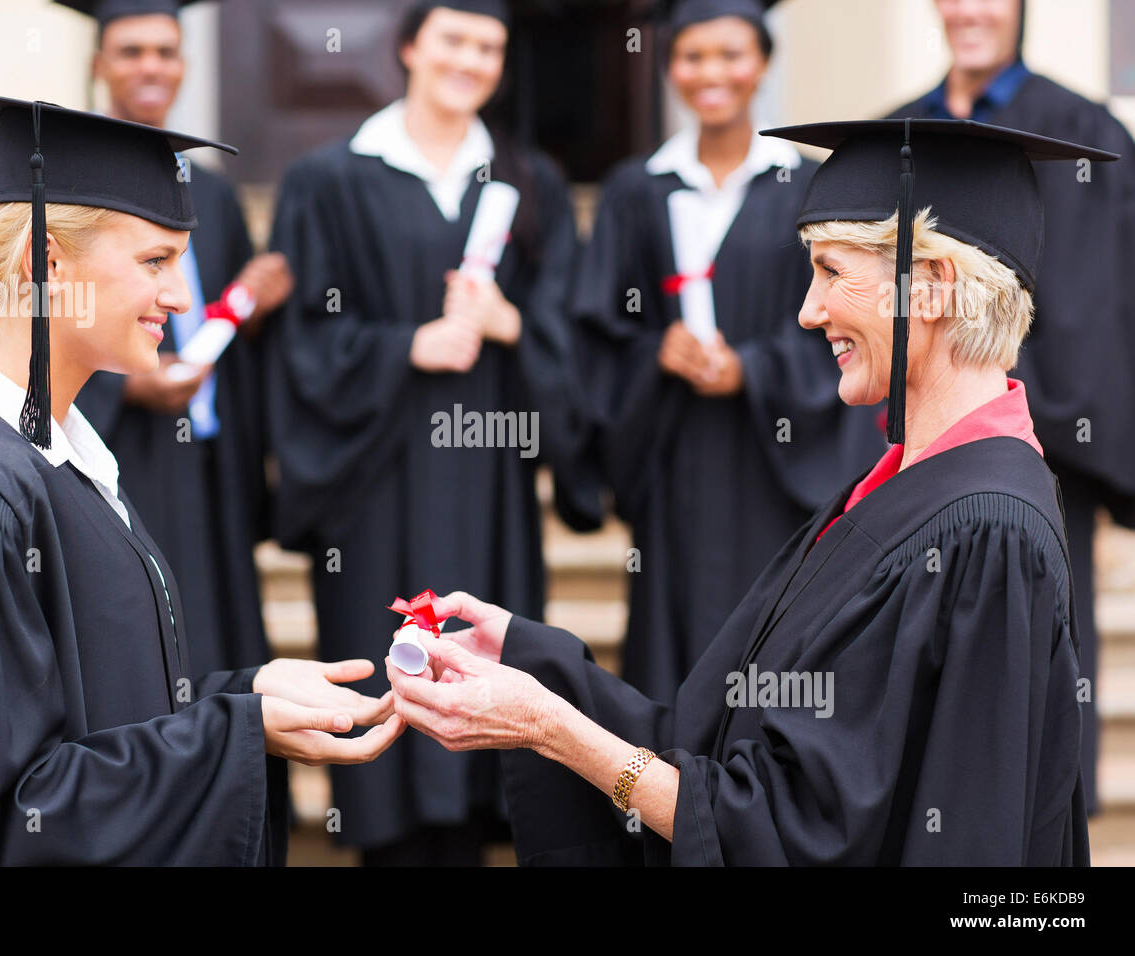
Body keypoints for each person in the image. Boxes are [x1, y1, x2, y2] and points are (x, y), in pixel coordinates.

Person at [386, 118, 1112, 865]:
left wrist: (554, 731)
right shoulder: (895, 490)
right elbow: (724, 743)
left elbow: (805, 833)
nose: (808, 310)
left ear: (928, 287)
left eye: (832, 272)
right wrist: (529, 660)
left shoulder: (987, 532)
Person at [0, 93, 402, 865]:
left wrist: (246, 696)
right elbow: (9, 822)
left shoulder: (67, 463)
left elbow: (97, 721)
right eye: (154, 262)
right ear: (46, 265)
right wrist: (236, 732)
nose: (180, 295)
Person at [266, 0, 589, 865]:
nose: (471, 59)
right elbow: (300, 342)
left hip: (489, 486)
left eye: (489, 46)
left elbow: (577, 331)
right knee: (391, 685)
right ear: (409, 46)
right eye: (454, 39)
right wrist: (408, 344)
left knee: (490, 676)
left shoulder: (530, 183)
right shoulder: (326, 181)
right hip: (375, 489)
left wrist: (514, 326)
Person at [575, 0, 884, 701]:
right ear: (669, 67)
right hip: (674, 463)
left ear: (763, 65)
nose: (710, 72)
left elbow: (850, 316)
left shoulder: (810, 185)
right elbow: (597, 333)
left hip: (777, 467)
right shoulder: (636, 190)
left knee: (779, 632)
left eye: (731, 54)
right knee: (676, 653)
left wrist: (751, 368)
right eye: (692, 56)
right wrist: (658, 352)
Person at [887, 0, 1135, 816]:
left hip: (1053, 442)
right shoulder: (898, 132)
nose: (970, 9)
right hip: (915, 439)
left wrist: (1055, 415)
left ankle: (1043, 833)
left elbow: (1115, 298)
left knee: (1046, 645)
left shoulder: (1090, 134)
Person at [56, 0, 295, 678]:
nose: (151, 67)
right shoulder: (68, 190)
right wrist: (127, 383)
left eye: (165, 51)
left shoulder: (213, 194)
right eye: (131, 52)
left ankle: (227, 771)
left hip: (209, 458)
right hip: (116, 449)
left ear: (186, 64)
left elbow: (208, 323)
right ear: (99, 64)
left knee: (217, 628)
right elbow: (40, 312)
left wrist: (248, 310)